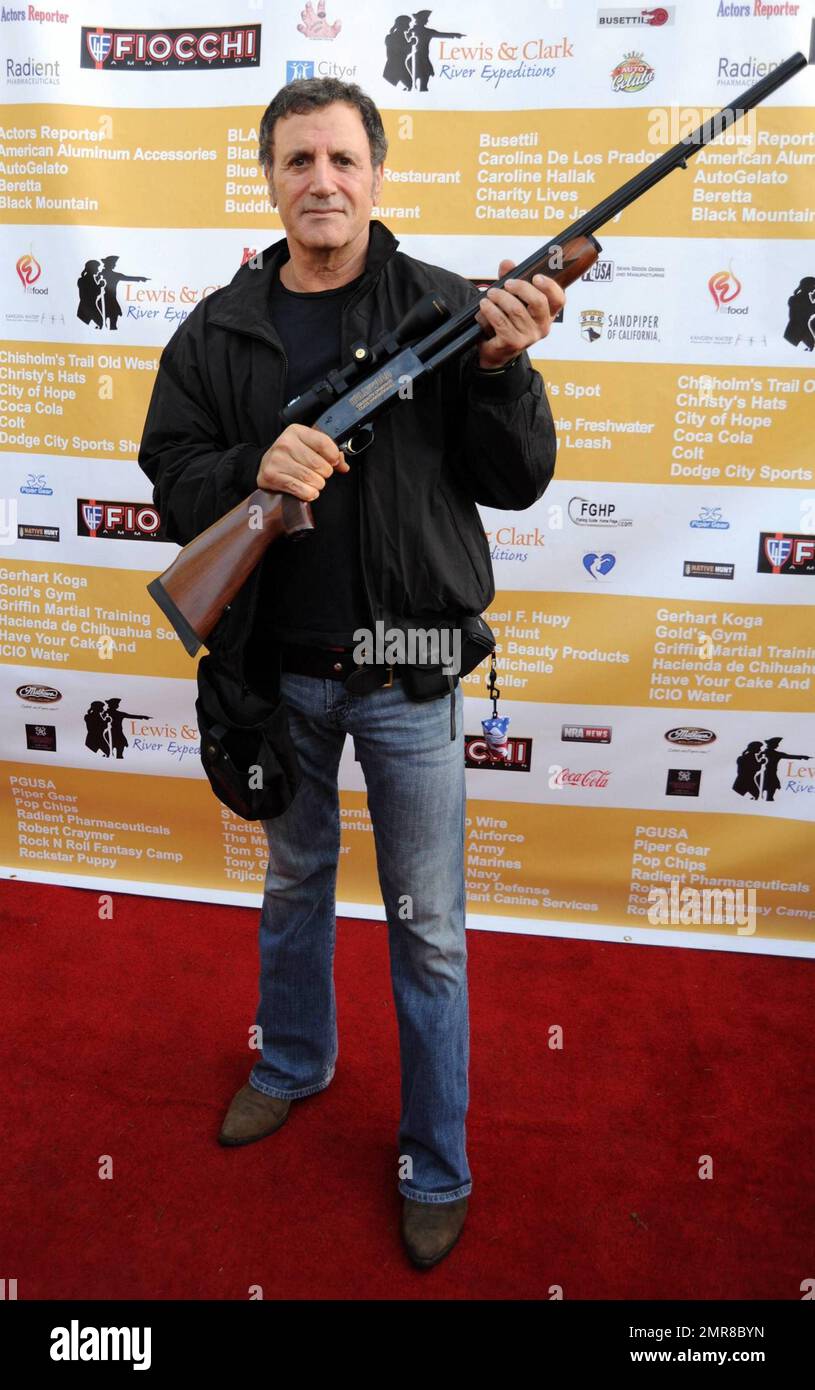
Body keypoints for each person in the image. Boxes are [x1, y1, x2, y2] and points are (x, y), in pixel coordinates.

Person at [138, 77, 562, 1270]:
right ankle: (291, 1063)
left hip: (409, 672)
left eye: (340, 159)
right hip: (280, 673)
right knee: (292, 892)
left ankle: (436, 1158)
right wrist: (249, 470)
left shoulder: (447, 307)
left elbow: (515, 478)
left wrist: (500, 371)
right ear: (269, 180)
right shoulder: (220, 327)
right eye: (296, 162)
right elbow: (170, 472)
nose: (320, 181)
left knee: (427, 932)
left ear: (376, 173)